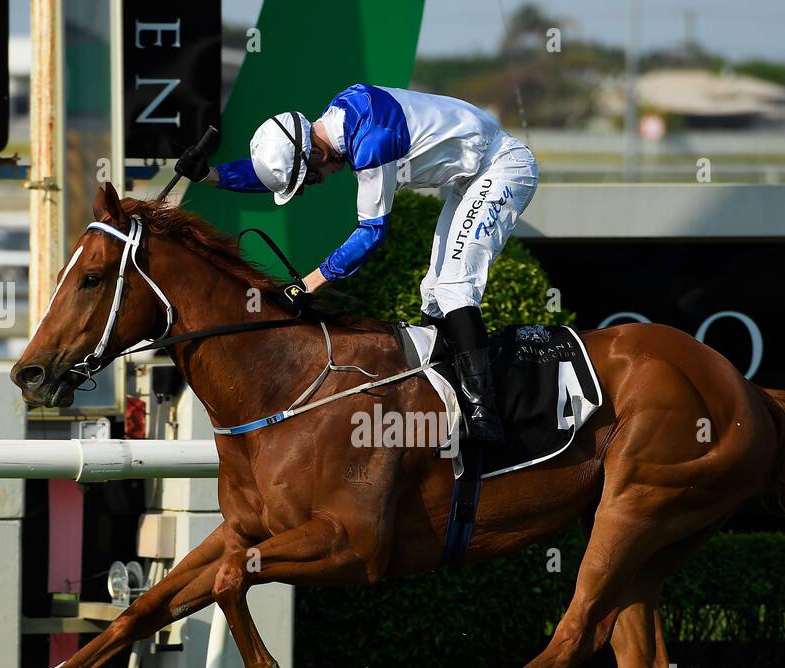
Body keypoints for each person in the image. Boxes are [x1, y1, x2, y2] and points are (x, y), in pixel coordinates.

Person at [185, 84, 539, 442]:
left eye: (309, 177)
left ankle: (483, 417)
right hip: (472, 177)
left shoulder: (372, 143)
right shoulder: (334, 121)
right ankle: (442, 396)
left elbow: (371, 233)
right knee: (431, 292)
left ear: (317, 154)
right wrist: (211, 175)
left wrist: (308, 284)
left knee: (453, 288)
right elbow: (280, 167)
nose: (319, 181)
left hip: (503, 167)